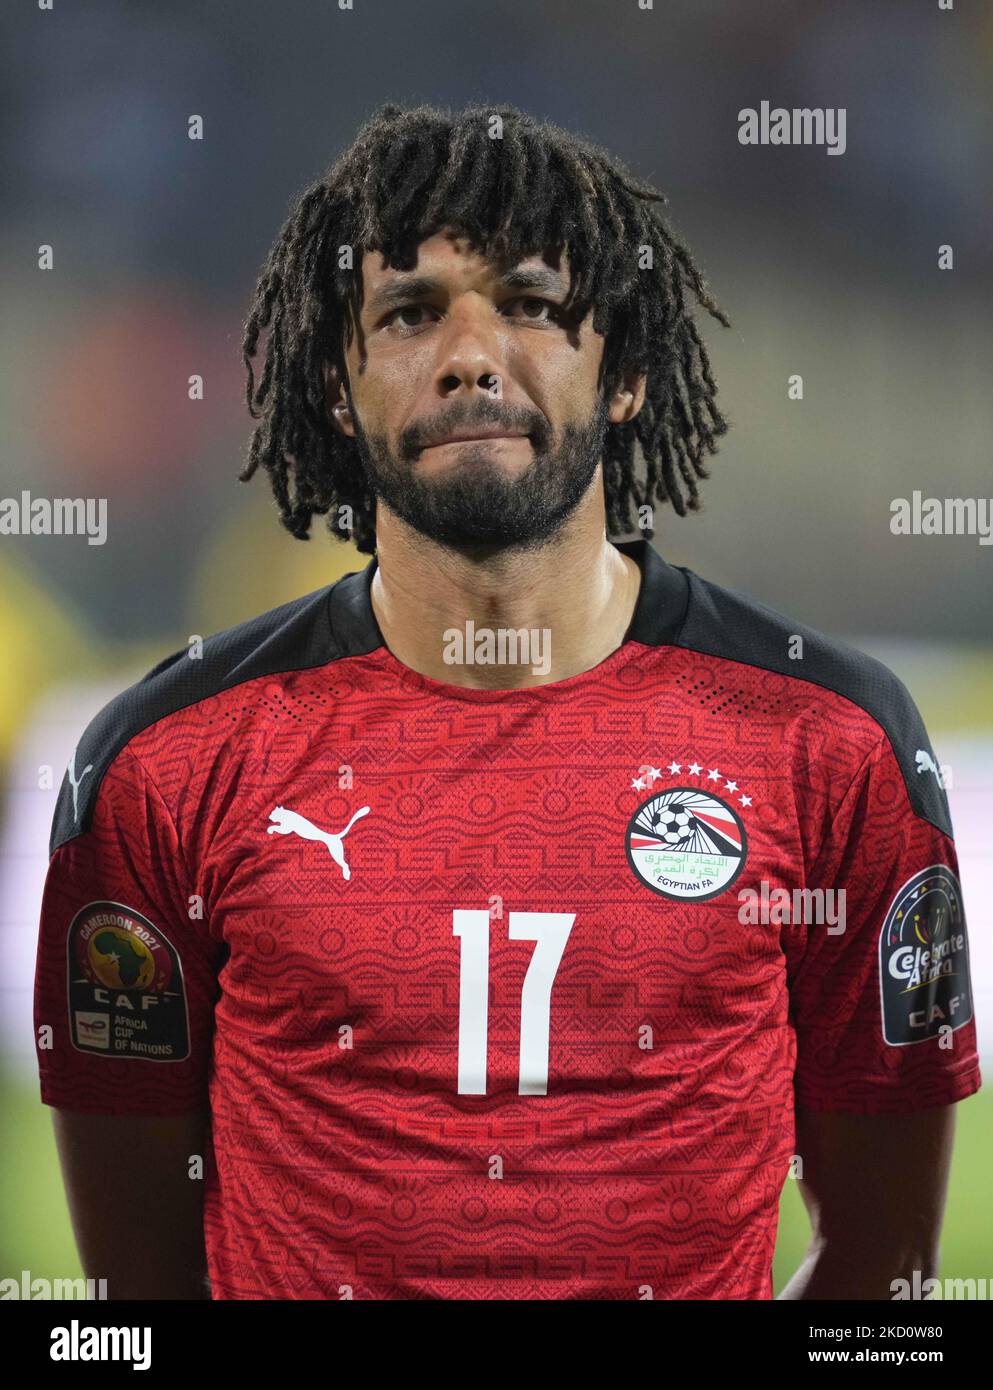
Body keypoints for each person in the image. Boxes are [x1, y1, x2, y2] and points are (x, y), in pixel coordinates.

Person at [35, 102, 980, 1300]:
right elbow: (133, 1308)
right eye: (410, 312)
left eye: (531, 304)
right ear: (338, 384)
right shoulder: (163, 765)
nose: (473, 354)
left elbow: (889, 1270)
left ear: (628, 372)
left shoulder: (832, 744)